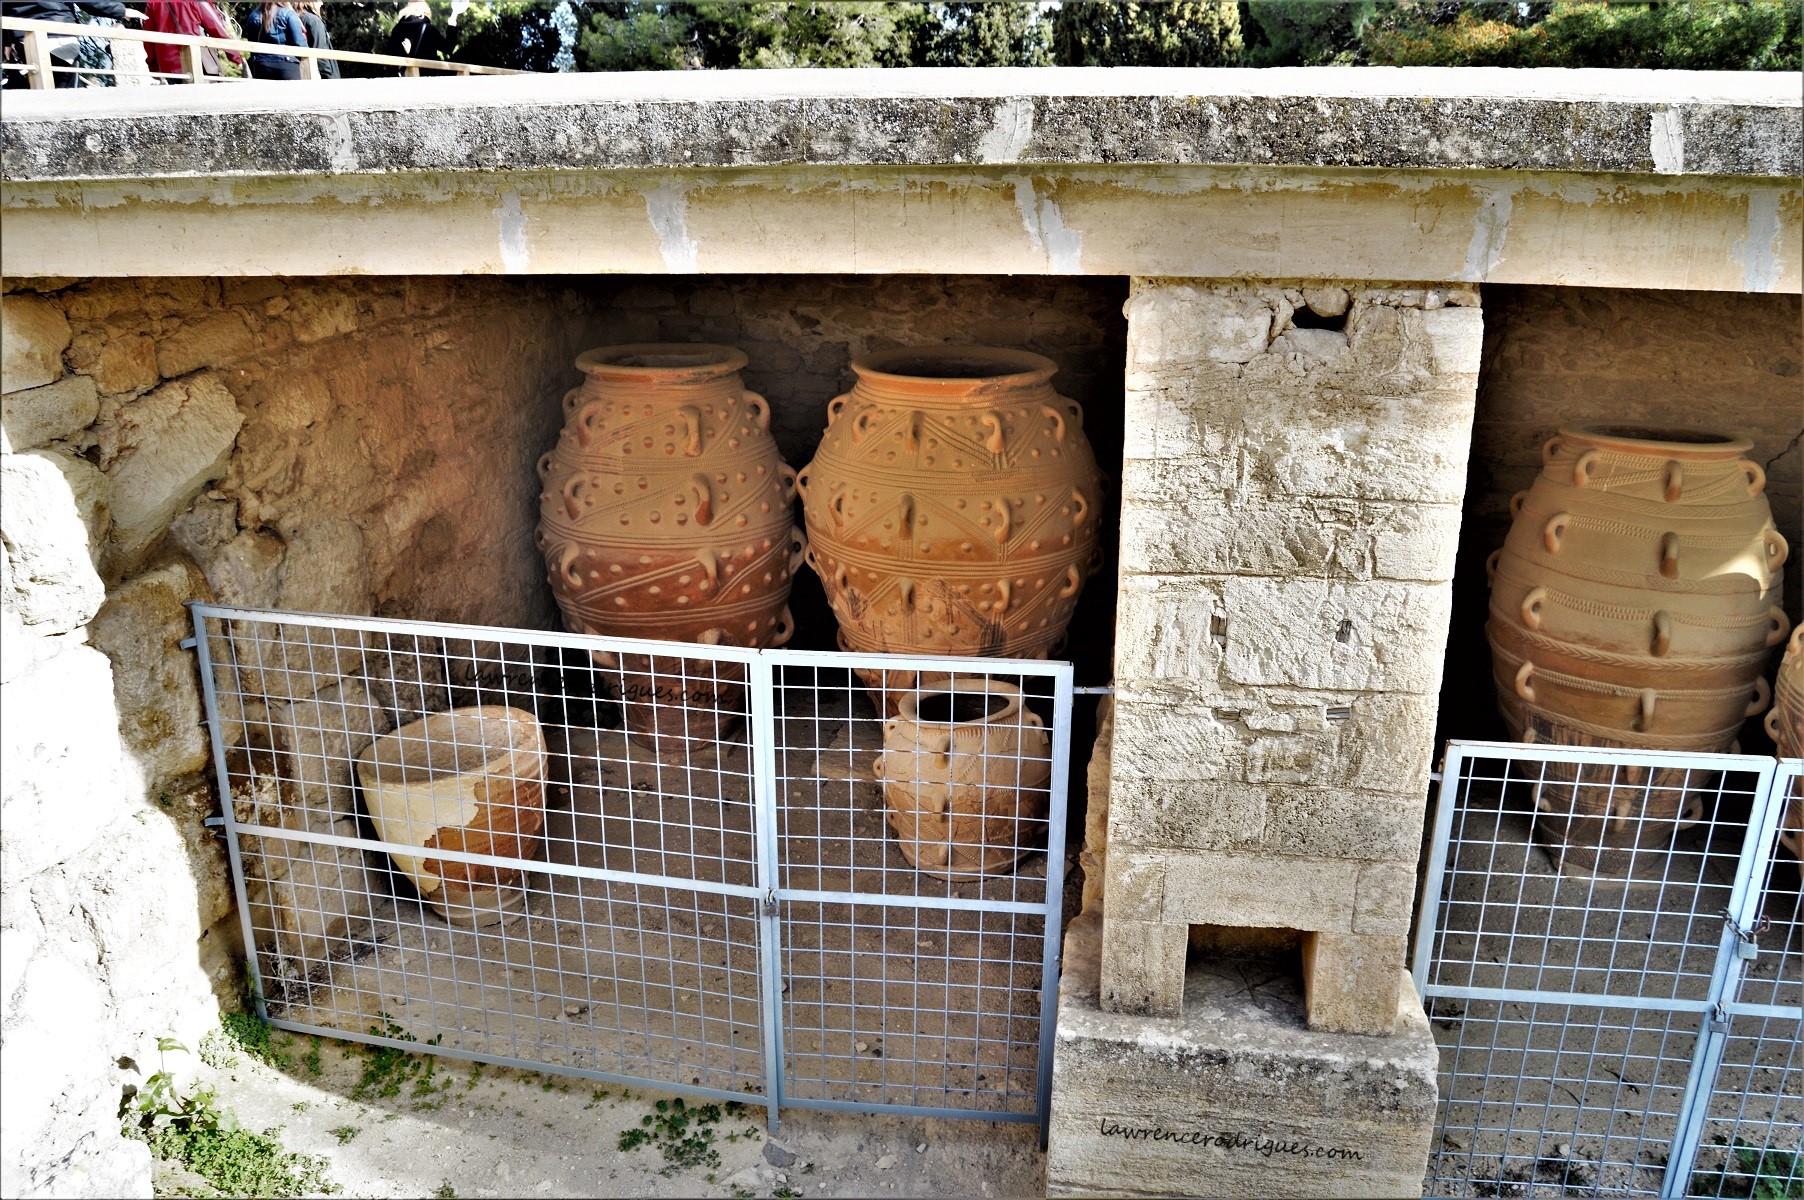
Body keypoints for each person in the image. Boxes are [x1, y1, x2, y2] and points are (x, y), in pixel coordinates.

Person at [0, 0, 146, 88]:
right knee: (65, 95)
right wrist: (121, 10)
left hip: (23, 36)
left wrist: (6, 42)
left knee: (37, 91)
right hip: (58, 31)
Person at [141, 0, 239, 82]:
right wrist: (235, 56)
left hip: (170, 67)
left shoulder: (152, 3)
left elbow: (148, 38)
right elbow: (215, 26)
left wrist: (153, 66)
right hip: (197, 63)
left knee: (181, 103)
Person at [243, 0, 306, 80]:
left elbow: (252, 42)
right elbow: (299, 43)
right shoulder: (288, 14)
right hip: (287, 64)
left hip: (261, 65)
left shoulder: (254, 15)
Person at [382, 0, 446, 68]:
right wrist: (452, 24)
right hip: (427, 75)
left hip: (405, 75)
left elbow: (390, 53)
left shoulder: (398, 28)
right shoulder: (428, 29)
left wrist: (407, 53)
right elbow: (447, 48)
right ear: (424, 12)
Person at [290, 0, 333, 78]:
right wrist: (327, 77)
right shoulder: (314, 21)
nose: (321, 3)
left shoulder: (293, 19)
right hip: (318, 76)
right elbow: (320, 52)